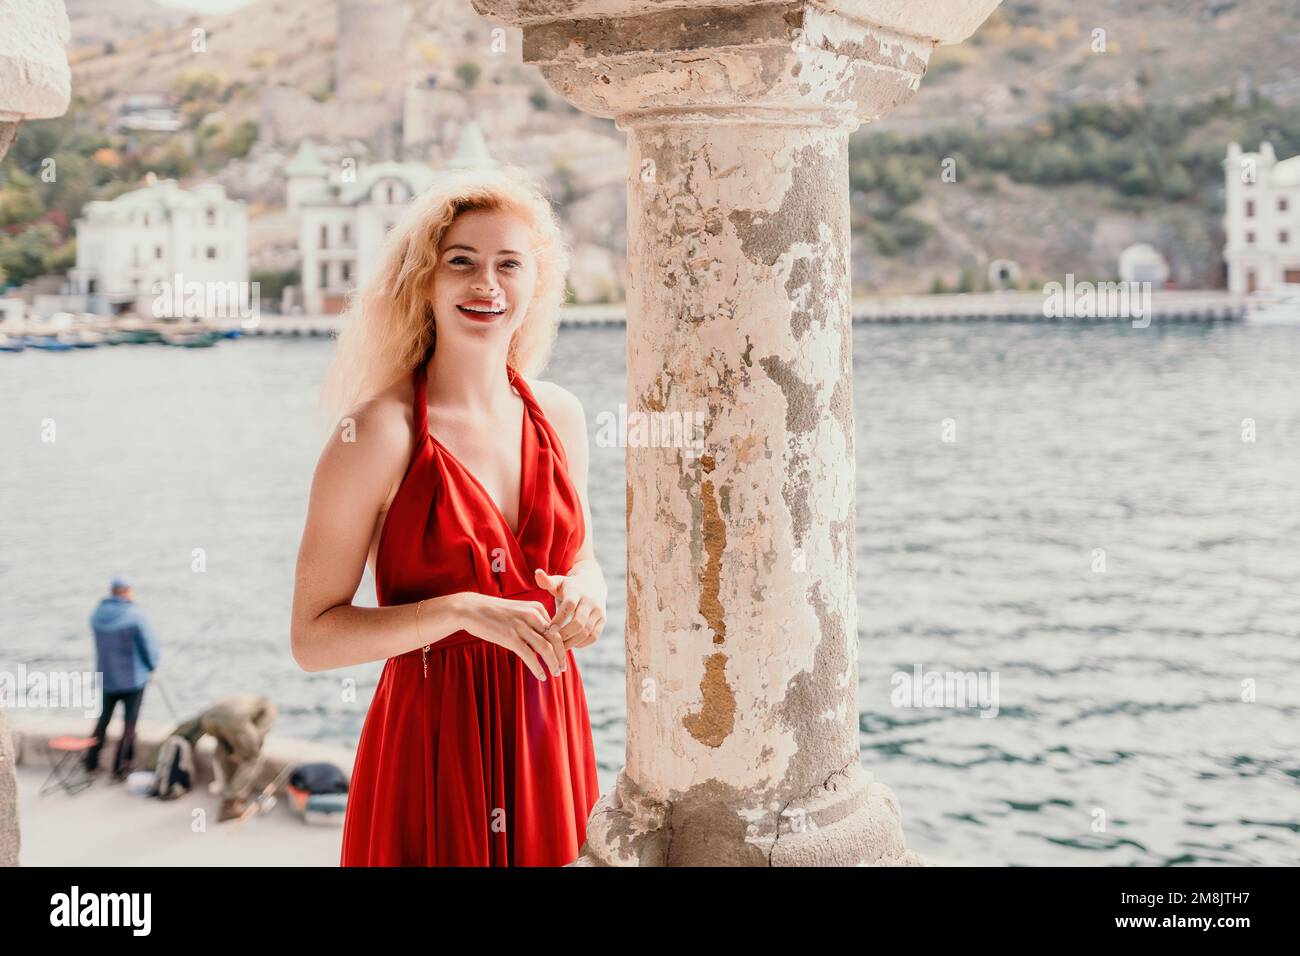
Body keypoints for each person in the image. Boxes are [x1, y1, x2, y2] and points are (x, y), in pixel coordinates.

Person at [291, 166, 608, 866]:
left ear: (537, 283)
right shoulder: (377, 433)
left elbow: (578, 557)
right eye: (460, 262)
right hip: (433, 746)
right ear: (423, 281)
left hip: (548, 727)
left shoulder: (560, 415)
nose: (485, 284)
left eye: (508, 264)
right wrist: (461, 610)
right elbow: (313, 640)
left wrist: (589, 593)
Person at [85, 575, 160, 781]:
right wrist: (153, 665)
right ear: (127, 591)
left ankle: (91, 761)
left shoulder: (98, 615)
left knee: (103, 720)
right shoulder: (135, 615)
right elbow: (148, 647)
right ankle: (121, 767)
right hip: (132, 680)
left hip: (107, 678)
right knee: (129, 724)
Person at [163, 694, 278, 822]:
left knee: (223, 747)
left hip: (210, 718)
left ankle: (227, 788)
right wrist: (247, 749)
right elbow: (258, 737)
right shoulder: (269, 709)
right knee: (253, 759)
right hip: (234, 719)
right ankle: (230, 803)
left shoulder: (245, 700)